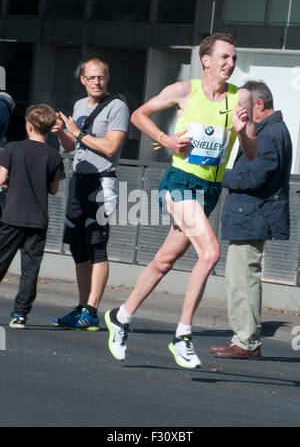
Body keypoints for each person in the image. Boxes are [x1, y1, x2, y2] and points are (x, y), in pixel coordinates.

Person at [104, 32, 258, 369]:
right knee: (211, 253)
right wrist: (165, 139)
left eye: (234, 58)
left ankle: (121, 317)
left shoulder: (241, 97)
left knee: (164, 261)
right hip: (179, 183)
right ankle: (183, 336)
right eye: (224, 57)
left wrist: (243, 129)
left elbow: (251, 151)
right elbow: (138, 115)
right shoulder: (183, 91)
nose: (230, 64)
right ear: (206, 60)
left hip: (210, 190)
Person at [211, 81, 292, 359]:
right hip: (252, 214)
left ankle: (246, 341)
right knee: (242, 278)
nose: (240, 114)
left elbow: (256, 176)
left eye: (243, 107)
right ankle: (246, 338)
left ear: (259, 104)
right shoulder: (268, 130)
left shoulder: (269, 133)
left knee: (242, 279)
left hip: (253, 214)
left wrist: (217, 174)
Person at [52, 58, 130, 331]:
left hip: (102, 183)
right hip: (79, 180)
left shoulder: (118, 106)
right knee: (77, 246)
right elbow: (72, 148)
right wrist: (62, 134)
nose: (97, 82)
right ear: (83, 80)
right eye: (92, 77)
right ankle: (82, 305)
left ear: (107, 78)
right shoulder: (78, 106)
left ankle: (93, 310)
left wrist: (78, 133)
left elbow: (110, 147)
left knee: (96, 245)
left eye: (102, 77)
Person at [0, 104, 65, 328]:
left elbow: (1, 178)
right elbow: (54, 189)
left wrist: (10, 184)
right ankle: (20, 314)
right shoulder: (54, 156)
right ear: (49, 128)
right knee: (30, 269)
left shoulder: (12, 148)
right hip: (38, 220)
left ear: (28, 126)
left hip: (12, 217)